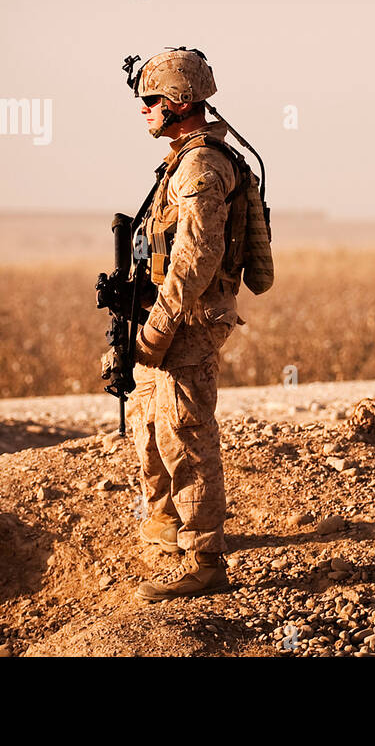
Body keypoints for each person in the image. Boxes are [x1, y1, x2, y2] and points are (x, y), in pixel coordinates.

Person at [124, 47, 252, 602]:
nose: (144, 111)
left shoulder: (201, 168)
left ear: (178, 103)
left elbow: (196, 259)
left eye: (150, 101)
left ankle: (204, 561)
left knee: (186, 437)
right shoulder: (181, 160)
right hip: (168, 318)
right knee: (147, 421)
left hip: (187, 324)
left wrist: (156, 327)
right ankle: (168, 526)